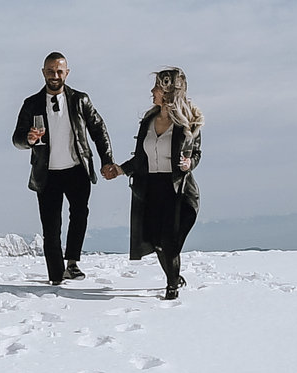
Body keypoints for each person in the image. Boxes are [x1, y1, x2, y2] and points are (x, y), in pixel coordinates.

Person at [12, 52, 119, 285]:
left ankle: (72, 263)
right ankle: (55, 278)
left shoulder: (81, 100)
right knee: (51, 227)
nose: (55, 75)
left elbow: (99, 130)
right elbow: (16, 139)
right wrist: (29, 139)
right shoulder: (31, 104)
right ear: (43, 72)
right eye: (50, 71)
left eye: (59, 71)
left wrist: (107, 160)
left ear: (67, 73)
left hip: (76, 170)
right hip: (46, 173)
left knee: (79, 215)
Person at [123, 66, 202, 300]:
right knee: (156, 242)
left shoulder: (188, 123)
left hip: (177, 189)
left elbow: (196, 153)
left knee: (170, 241)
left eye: (157, 87)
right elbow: (141, 158)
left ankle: (171, 289)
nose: (152, 91)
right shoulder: (148, 121)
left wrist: (189, 164)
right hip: (151, 189)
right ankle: (174, 277)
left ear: (168, 92)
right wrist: (119, 169)